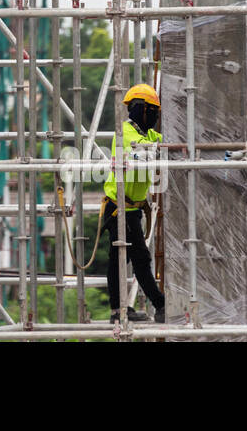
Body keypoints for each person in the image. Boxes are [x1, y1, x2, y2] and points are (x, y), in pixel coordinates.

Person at [102, 83, 166, 323]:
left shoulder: (147, 134)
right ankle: (158, 305)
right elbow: (142, 152)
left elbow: (163, 144)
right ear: (143, 110)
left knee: (124, 258)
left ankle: (119, 311)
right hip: (119, 207)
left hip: (132, 209)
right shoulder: (125, 132)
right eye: (154, 111)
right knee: (136, 257)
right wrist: (161, 148)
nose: (156, 117)